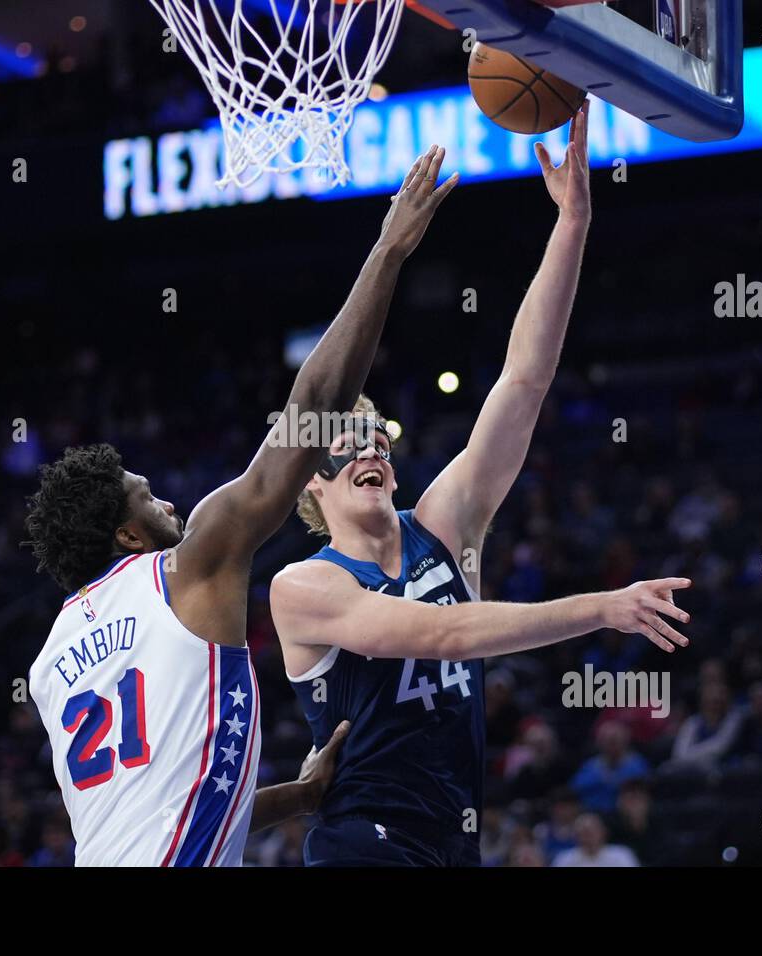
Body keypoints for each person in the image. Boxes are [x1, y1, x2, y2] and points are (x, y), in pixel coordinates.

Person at [270, 106, 692, 866]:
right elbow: (445, 634)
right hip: (362, 843)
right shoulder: (303, 586)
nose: (367, 448)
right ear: (313, 486)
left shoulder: (444, 524)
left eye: (376, 437)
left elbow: (524, 383)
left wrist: (571, 222)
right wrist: (603, 607)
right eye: (344, 445)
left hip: (453, 839)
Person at [23, 148, 459, 865]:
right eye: (147, 495)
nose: (167, 499)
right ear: (129, 533)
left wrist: (299, 795)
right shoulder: (188, 563)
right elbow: (313, 409)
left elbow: (155, 809)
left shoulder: (51, 661)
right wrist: (389, 249)